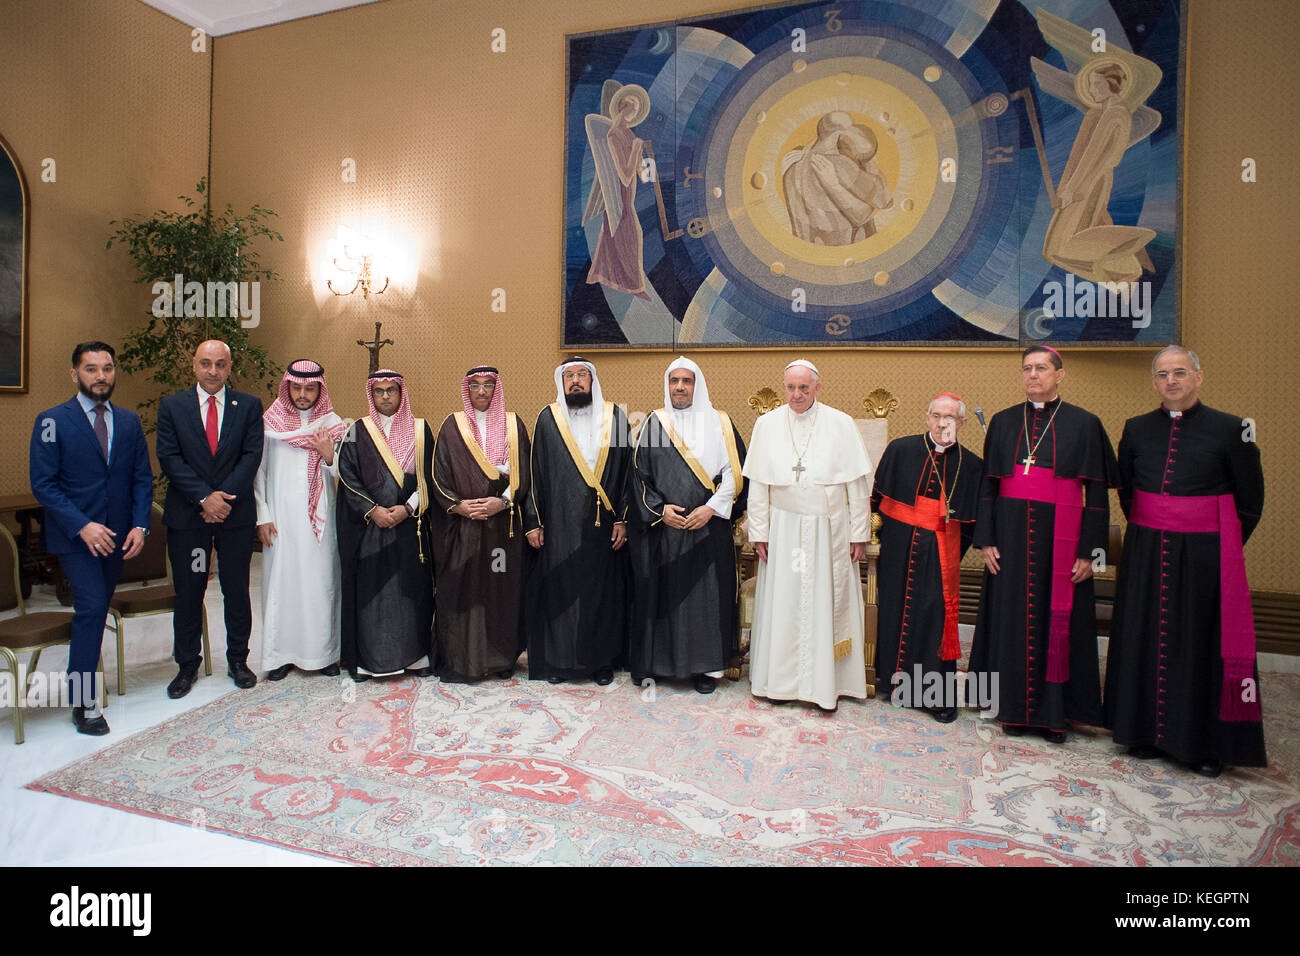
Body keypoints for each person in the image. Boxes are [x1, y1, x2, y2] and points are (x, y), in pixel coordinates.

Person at [1104, 346, 1266, 776]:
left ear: (1198, 377)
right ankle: (1142, 733)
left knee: (1199, 644)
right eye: (1162, 374)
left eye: (1179, 372)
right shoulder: (1136, 428)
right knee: (1144, 636)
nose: (1170, 381)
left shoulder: (1234, 429)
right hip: (1146, 550)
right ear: (1154, 381)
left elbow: (1250, 502)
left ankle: (1204, 746)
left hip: (1206, 556)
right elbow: (1127, 491)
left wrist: (1220, 546)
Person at [969, 346, 1117, 741]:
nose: (1033, 375)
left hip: (1062, 541)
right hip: (1011, 541)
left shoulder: (1085, 424)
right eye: (1027, 368)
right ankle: (1011, 709)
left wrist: (1091, 553)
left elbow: (1098, 496)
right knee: (1010, 622)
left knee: (1060, 623)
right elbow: (988, 487)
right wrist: (985, 541)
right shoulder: (1002, 422)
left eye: (1042, 368)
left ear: (1060, 375)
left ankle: (1057, 713)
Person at [29, 341, 152, 734]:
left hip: (117, 536)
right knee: (92, 607)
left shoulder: (130, 422)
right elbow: (44, 485)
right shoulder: (52, 421)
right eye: (91, 369)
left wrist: (140, 525)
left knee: (95, 610)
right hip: (76, 537)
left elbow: (141, 479)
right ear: (74, 374)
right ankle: (83, 702)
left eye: (108, 368)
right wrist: (82, 525)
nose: (101, 376)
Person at [743, 359, 872, 710]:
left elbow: (858, 485)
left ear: (817, 387)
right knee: (784, 603)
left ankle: (823, 685)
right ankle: (780, 683)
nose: (796, 394)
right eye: (791, 387)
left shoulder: (840, 423)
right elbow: (758, 484)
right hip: (782, 529)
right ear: (784, 387)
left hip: (828, 528)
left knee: (822, 603)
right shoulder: (766, 424)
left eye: (804, 388)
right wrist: (759, 532)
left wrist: (859, 533)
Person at [629, 357, 747, 694]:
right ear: (668, 385)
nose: (680, 387)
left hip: (708, 528)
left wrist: (711, 509)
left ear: (698, 385)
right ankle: (661, 665)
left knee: (706, 599)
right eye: (674, 381)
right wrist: (659, 510)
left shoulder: (720, 422)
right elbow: (638, 476)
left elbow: (736, 474)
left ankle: (705, 669)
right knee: (664, 596)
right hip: (665, 530)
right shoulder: (654, 423)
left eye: (687, 381)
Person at [155, 340, 264, 699]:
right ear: (194, 366)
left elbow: (251, 456)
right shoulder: (172, 406)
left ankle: (238, 661)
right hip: (190, 517)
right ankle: (187, 665)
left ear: (230, 367)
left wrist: (221, 499)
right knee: (190, 590)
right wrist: (204, 498)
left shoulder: (247, 405)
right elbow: (169, 457)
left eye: (220, 364)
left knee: (236, 590)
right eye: (206, 364)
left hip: (233, 517)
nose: (213, 371)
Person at [871, 393, 982, 722]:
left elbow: (973, 521)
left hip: (941, 552)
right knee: (893, 609)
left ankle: (934, 695)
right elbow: (876, 500)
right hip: (897, 545)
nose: (941, 423)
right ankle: (890, 682)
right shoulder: (900, 450)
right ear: (927, 417)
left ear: (961, 423)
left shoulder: (972, 465)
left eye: (949, 417)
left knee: (935, 617)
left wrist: (949, 551)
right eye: (936, 415)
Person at [525, 358, 631, 685]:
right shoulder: (547, 418)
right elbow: (535, 474)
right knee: (560, 590)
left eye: (581, 375)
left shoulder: (615, 417)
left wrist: (623, 519)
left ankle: (599, 663)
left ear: (591, 380)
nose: (575, 382)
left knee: (600, 592)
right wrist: (534, 521)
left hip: (603, 525)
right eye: (569, 376)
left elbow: (629, 473)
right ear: (562, 381)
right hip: (559, 525)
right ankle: (559, 663)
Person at [430, 367, 532, 682]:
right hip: (464, 528)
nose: (481, 391)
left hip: (502, 529)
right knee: (464, 590)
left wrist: (502, 502)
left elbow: (526, 473)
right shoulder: (452, 425)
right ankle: (463, 659)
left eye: (488, 385)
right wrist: (458, 506)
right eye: (475, 385)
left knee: (500, 589)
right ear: (467, 389)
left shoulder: (514, 425)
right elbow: (438, 474)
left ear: (496, 388)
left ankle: (499, 660)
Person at [335, 369, 435, 681]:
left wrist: (408, 508)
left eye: (391, 390)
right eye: (379, 391)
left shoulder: (420, 430)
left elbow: (432, 476)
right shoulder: (357, 431)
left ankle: (415, 657)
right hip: (370, 530)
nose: (386, 396)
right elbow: (348, 479)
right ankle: (370, 662)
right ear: (371, 394)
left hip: (409, 529)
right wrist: (372, 510)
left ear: (401, 393)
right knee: (372, 594)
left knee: (411, 593)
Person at [254, 360, 347, 681]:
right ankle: (281, 656)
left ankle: (324, 655)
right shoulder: (270, 423)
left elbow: (344, 475)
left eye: (310, 388)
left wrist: (328, 454)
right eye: (297, 387)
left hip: (320, 521)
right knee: (282, 584)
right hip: (280, 520)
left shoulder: (332, 423)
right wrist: (262, 516)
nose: (303, 394)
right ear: (287, 386)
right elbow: (258, 473)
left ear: (319, 389)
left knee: (321, 585)